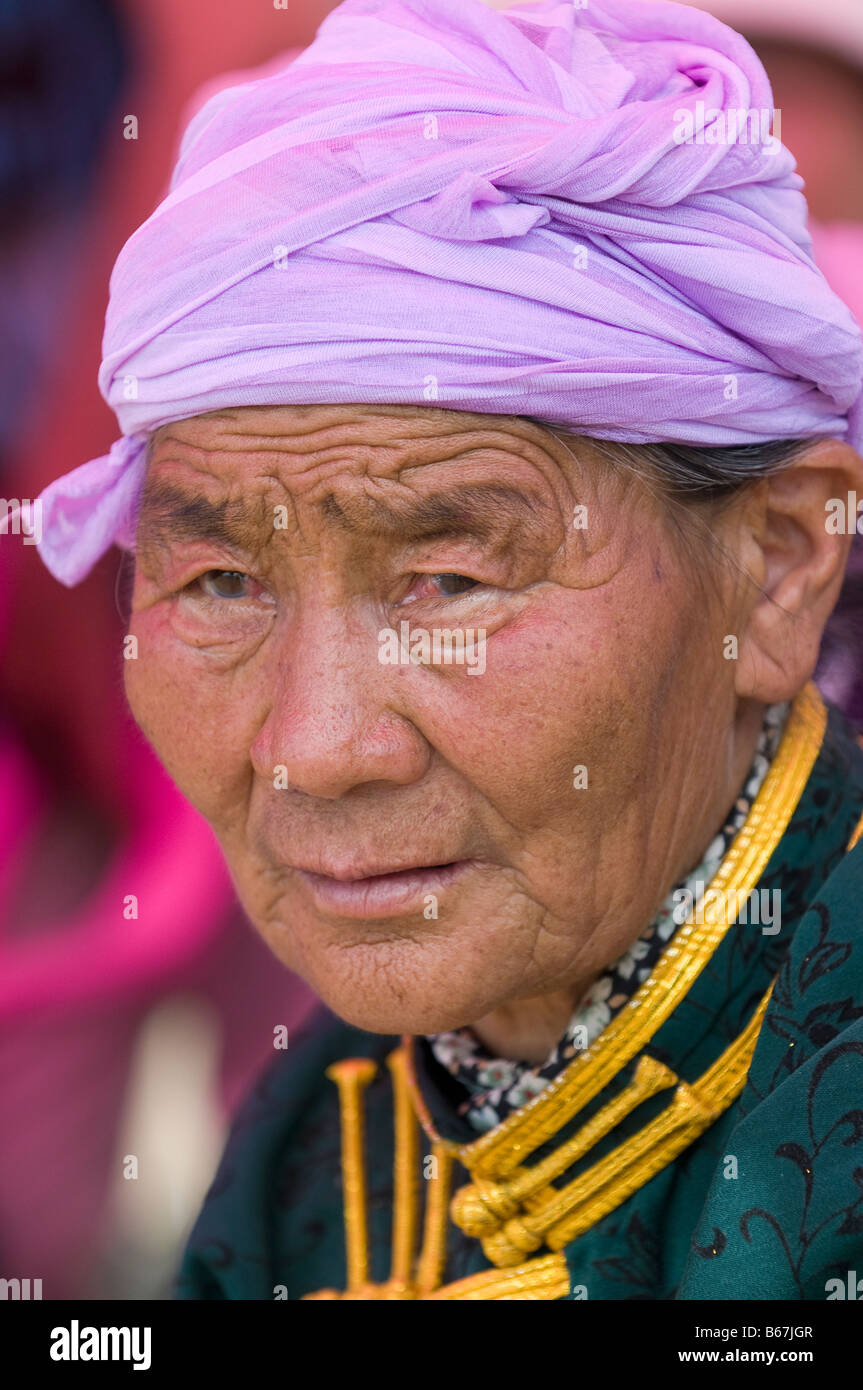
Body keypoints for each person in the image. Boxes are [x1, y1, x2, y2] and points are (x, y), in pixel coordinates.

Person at [23, 0, 863, 1300]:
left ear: (777, 567)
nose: (312, 746)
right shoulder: (318, 1131)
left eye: (451, 579)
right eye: (223, 578)